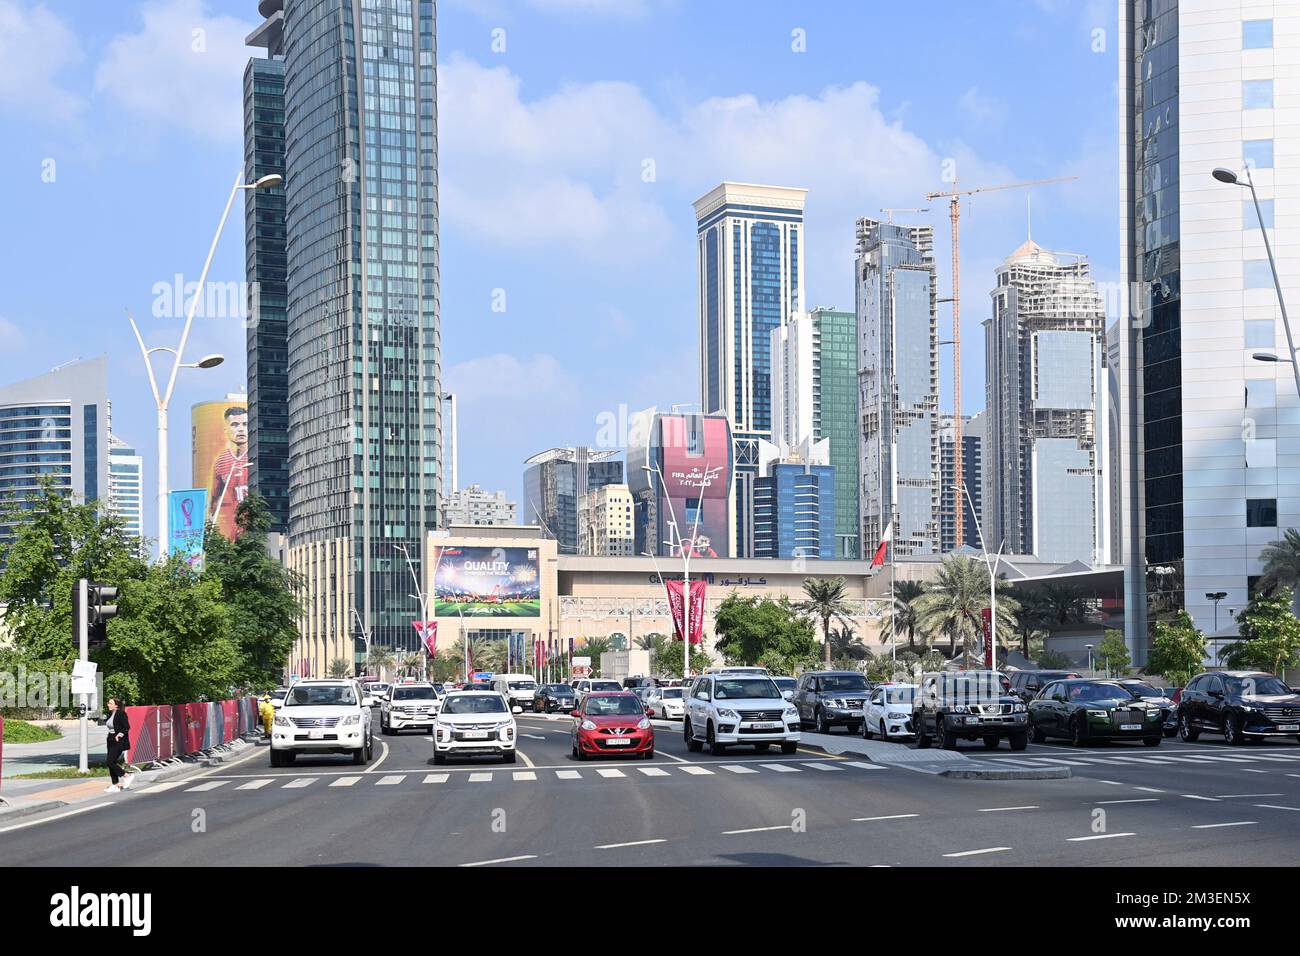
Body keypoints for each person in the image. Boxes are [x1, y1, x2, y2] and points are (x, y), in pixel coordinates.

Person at [104, 697, 133, 792]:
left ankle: (126, 776)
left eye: (110, 703)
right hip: (111, 740)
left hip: (118, 741)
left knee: (110, 762)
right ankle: (115, 785)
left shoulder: (121, 714)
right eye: (108, 703)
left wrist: (119, 735)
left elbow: (126, 727)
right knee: (111, 762)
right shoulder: (111, 714)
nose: (108, 704)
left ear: (116, 705)